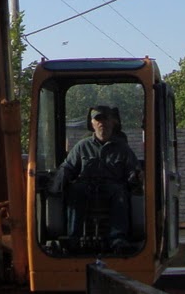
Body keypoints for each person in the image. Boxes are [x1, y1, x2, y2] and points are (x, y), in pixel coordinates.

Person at [59, 104, 141, 252]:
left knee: (120, 194)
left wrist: (135, 178)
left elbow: (132, 170)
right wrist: (60, 180)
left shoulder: (123, 148)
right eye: (98, 119)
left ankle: (117, 239)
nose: (102, 123)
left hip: (113, 187)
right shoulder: (81, 146)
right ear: (92, 123)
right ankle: (73, 238)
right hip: (86, 187)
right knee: (75, 191)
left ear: (112, 122)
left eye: (106, 119)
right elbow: (68, 167)